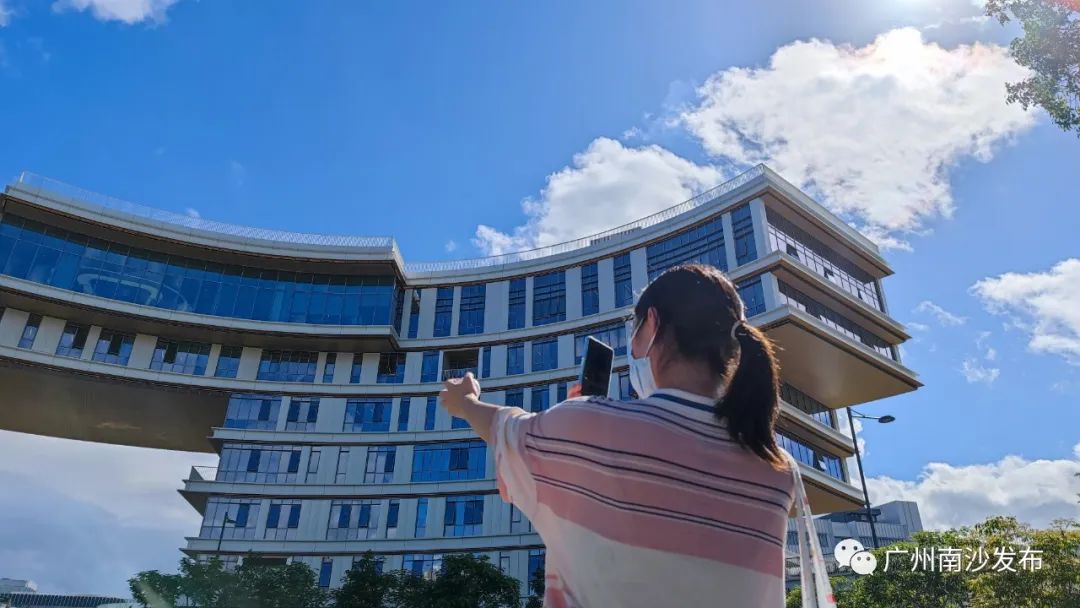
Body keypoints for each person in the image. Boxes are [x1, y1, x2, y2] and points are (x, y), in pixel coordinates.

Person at [441, 263, 797, 607]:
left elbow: (504, 428)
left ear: (653, 323)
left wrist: (466, 401)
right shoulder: (778, 469)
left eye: (635, 331)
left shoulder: (585, 427)